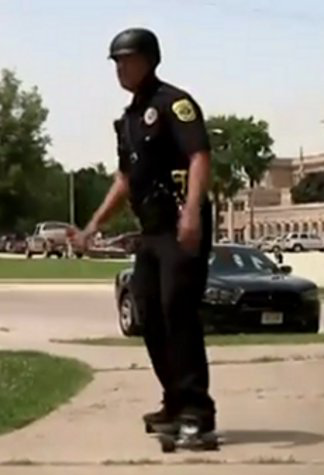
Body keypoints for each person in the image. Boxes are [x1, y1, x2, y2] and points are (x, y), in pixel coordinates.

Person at [70, 27, 217, 437]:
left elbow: (199, 156)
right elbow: (125, 179)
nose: (120, 68)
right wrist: (93, 226)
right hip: (150, 230)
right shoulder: (129, 120)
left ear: (150, 59)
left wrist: (191, 212)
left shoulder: (175, 104)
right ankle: (174, 401)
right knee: (148, 313)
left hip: (180, 225)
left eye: (127, 59)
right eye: (116, 61)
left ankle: (197, 412)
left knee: (178, 310)